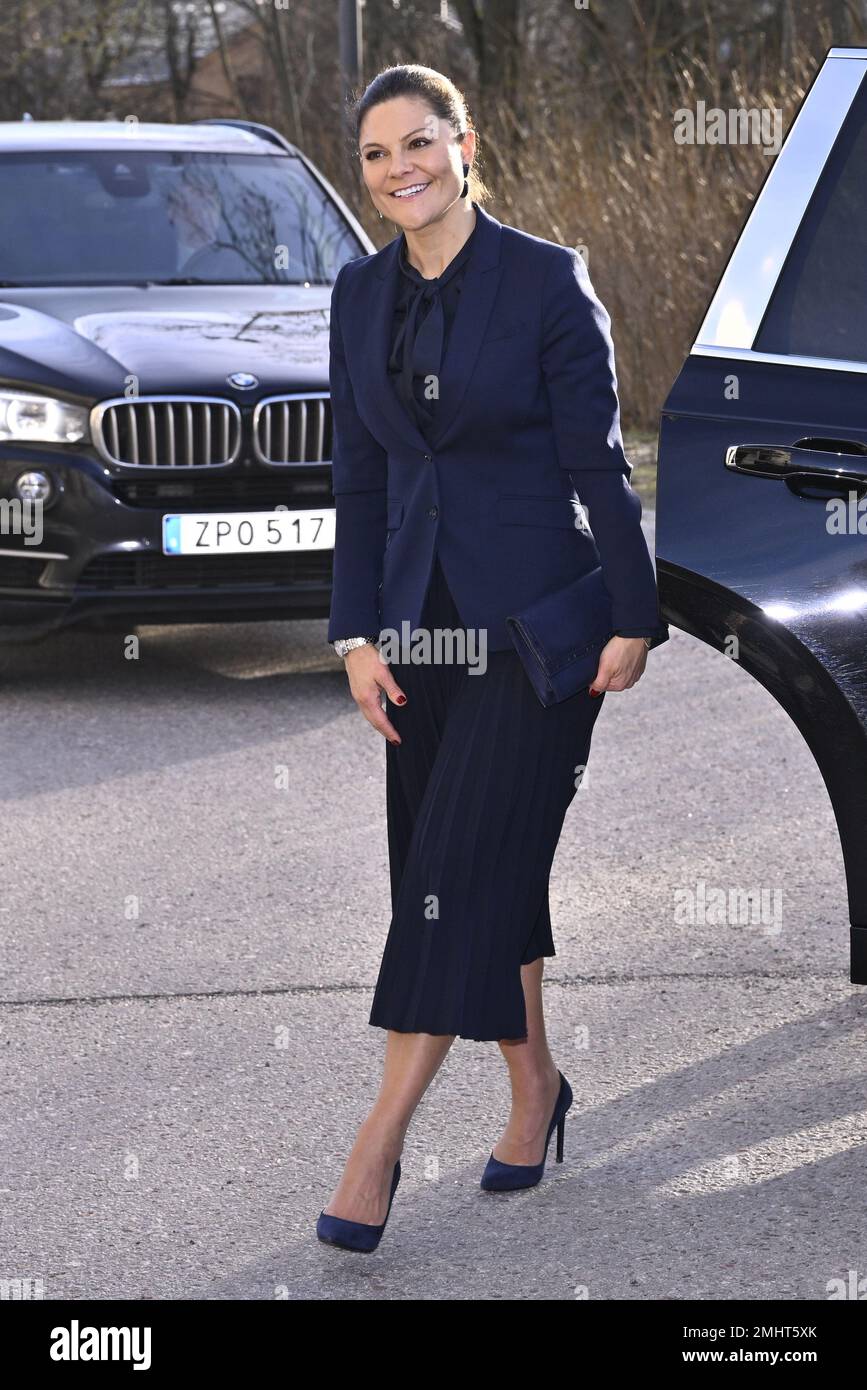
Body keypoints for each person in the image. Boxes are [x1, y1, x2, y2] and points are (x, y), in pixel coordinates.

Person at [317, 64, 667, 1253]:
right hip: (418, 639)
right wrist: (355, 635)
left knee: (454, 875)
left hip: (537, 634)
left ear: (465, 146)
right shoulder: (359, 296)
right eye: (375, 154)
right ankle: (537, 1090)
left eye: (418, 143)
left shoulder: (543, 279)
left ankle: (376, 1143)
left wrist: (636, 611)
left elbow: (598, 464)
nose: (398, 168)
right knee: (477, 868)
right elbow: (358, 481)